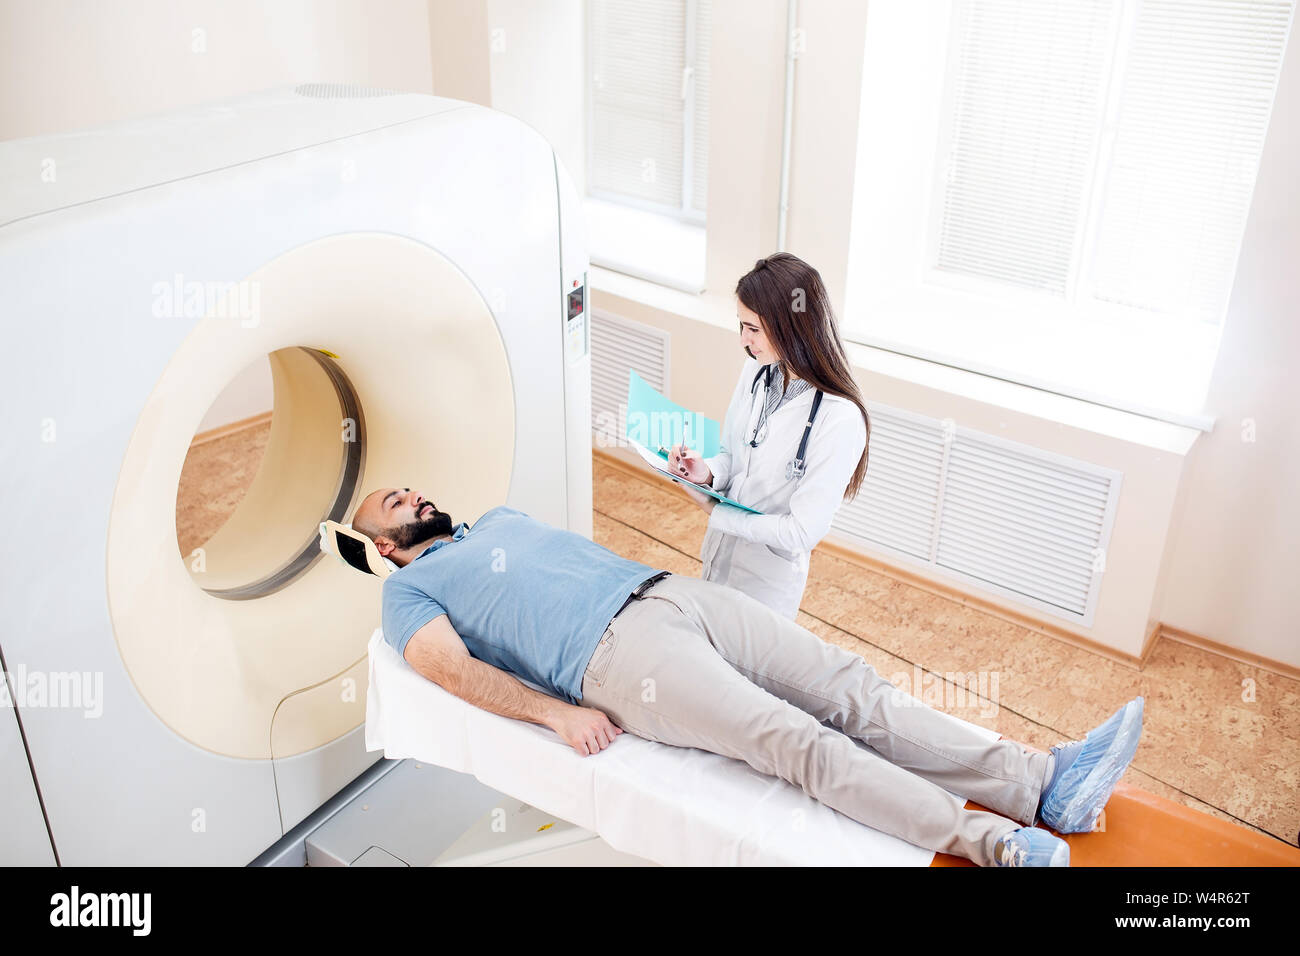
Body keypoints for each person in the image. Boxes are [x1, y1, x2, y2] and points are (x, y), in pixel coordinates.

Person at [351, 486, 1145, 867]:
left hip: (671, 593)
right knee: (794, 741)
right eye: (395, 502)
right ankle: (996, 843)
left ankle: (1045, 783)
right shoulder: (407, 593)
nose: (414, 493)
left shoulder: (497, 521)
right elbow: (453, 674)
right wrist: (555, 716)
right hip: (617, 660)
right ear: (383, 544)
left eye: (409, 486)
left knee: (848, 684)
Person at [668, 253, 870, 619]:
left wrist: (716, 510)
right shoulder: (757, 371)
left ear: (790, 325)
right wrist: (707, 473)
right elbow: (733, 455)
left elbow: (801, 532)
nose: (744, 339)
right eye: (741, 325)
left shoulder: (839, 418)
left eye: (753, 329)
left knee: (746, 671)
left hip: (766, 587)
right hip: (719, 558)